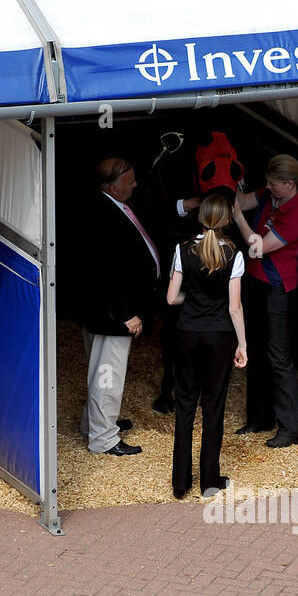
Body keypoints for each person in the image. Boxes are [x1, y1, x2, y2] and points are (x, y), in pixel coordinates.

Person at [78, 157, 161, 456]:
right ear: (111, 186)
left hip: (106, 310)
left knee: (100, 370)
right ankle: (103, 438)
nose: (136, 184)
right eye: (130, 181)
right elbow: (107, 272)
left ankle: (95, 424)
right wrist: (126, 314)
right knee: (107, 375)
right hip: (112, 313)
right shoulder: (103, 214)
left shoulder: (108, 206)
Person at [167, 194, 247, 499]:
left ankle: (180, 482)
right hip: (219, 336)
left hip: (187, 332)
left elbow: (172, 298)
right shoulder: (233, 254)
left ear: (200, 218)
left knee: (185, 404)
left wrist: (194, 301)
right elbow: (234, 307)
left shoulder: (182, 250)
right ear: (227, 220)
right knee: (214, 407)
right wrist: (243, 344)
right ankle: (210, 481)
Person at [231, 153, 298, 448]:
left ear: (289, 184)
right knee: (253, 349)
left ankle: (292, 428)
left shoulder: (297, 213)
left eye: (273, 183)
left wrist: (238, 218)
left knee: (279, 357)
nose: (267, 187)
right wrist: (228, 191)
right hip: (256, 282)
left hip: (277, 287)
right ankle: (259, 417)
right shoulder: (270, 194)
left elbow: (258, 248)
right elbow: (242, 200)